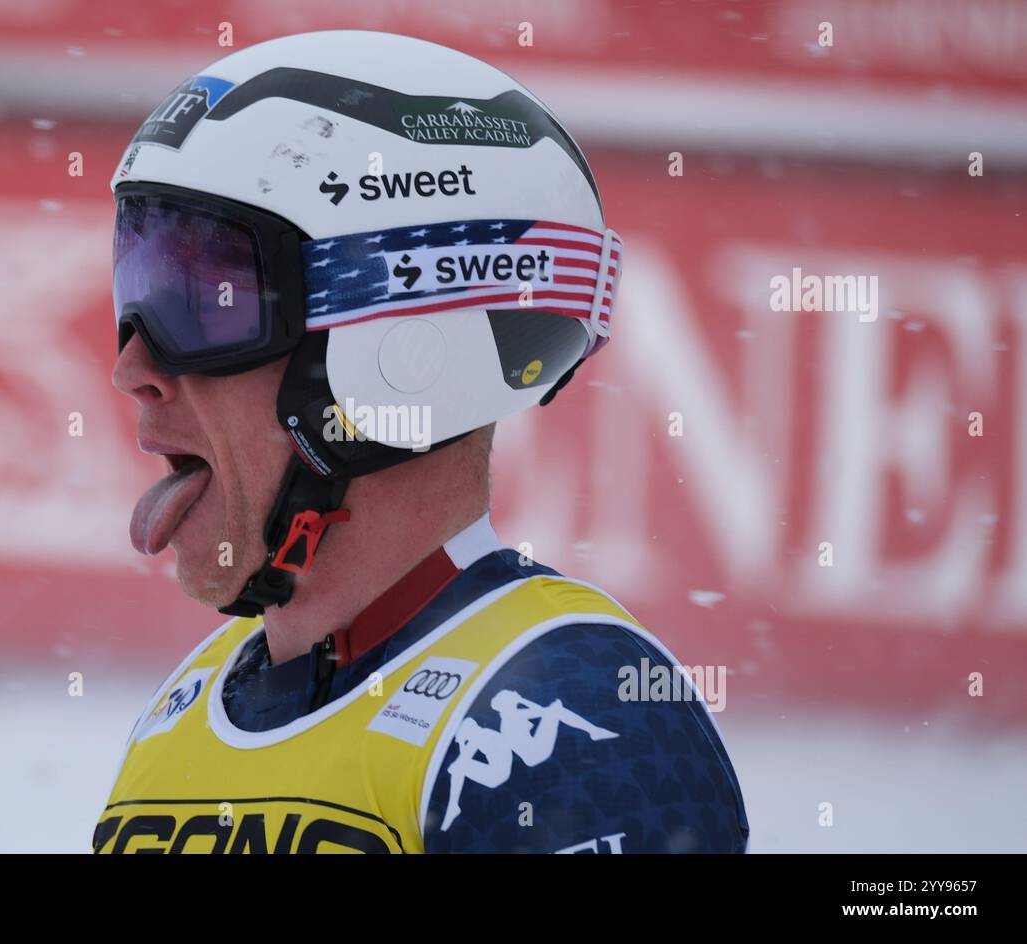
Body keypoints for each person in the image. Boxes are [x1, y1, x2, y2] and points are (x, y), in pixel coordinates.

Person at [94, 29, 748, 854]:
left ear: (407, 348)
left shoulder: (567, 718)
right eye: (139, 286)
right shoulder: (190, 709)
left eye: (205, 300)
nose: (133, 368)